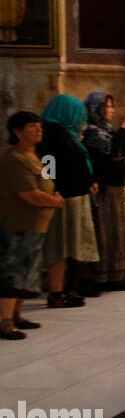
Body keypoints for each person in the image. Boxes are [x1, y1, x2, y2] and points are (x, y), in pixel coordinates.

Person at [0, 111, 63, 339]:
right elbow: (29, 194)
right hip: (18, 224)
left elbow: (46, 182)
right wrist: (54, 201)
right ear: (17, 131)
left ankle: (16, 314)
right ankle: (5, 320)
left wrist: (54, 194)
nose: (38, 130)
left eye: (39, 126)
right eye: (32, 127)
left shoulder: (37, 156)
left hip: (36, 225)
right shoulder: (13, 158)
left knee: (28, 272)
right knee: (12, 273)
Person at [37, 94, 99, 309]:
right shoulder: (53, 134)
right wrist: (54, 188)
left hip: (70, 196)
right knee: (60, 247)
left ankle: (62, 290)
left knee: (67, 247)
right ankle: (57, 292)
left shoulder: (62, 134)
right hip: (64, 198)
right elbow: (49, 165)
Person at [81, 92, 125, 295]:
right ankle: (99, 277)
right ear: (96, 109)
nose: (111, 110)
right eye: (107, 106)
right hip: (102, 188)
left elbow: (124, 151)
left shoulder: (105, 130)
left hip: (114, 187)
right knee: (103, 232)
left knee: (115, 231)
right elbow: (114, 150)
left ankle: (114, 275)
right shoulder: (93, 132)